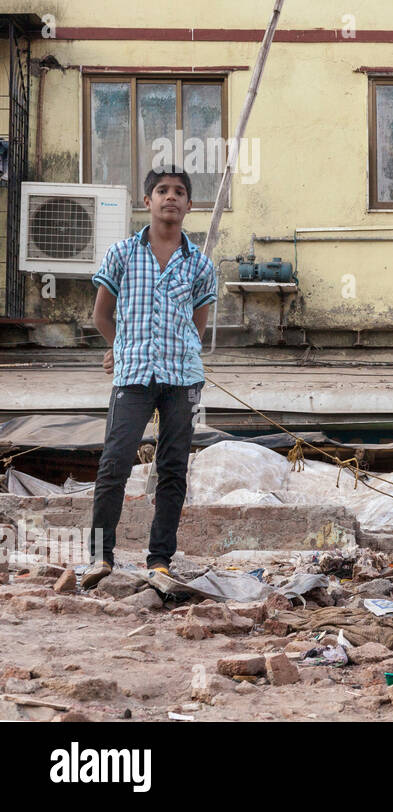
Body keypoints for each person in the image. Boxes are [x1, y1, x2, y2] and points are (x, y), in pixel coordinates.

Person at [80, 168, 217, 589]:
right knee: (114, 464)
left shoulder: (200, 265)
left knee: (173, 469)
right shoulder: (121, 254)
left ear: (189, 205)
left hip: (183, 381)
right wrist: (121, 348)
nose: (170, 198)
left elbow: (196, 328)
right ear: (148, 201)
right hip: (133, 377)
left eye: (179, 192)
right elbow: (102, 315)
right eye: (162, 191)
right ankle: (99, 559)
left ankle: (159, 561)